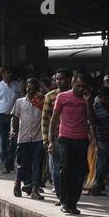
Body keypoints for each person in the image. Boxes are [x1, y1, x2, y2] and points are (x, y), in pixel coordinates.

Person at [50, 73, 96, 215]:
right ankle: (64, 201)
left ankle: (73, 203)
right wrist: (51, 141)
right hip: (65, 138)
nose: (80, 89)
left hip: (81, 139)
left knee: (80, 172)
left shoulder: (86, 99)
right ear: (72, 84)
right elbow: (54, 119)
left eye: (83, 87)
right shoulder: (62, 97)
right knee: (66, 170)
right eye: (78, 86)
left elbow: (92, 121)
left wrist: (88, 102)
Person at [11, 80, 45, 201]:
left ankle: (35, 189)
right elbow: (15, 117)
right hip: (23, 137)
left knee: (37, 164)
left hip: (38, 137)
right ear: (26, 88)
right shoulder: (20, 102)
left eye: (34, 89)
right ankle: (17, 182)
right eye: (29, 89)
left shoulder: (41, 102)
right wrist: (13, 131)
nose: (31, 92)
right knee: (22, 164)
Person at [41, 70, 73, 203]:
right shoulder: (50, 96)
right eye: (57, 79)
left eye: (61, 79)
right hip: (55, 137)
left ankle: (67, 194)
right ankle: (61, 195)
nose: (58, 82)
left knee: (70, 167)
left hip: (72, 137)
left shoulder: (75, 95)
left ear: (69, 79)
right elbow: (45, 119)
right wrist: (46, 139)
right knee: (56, 166)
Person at [91, 87, 109, 199]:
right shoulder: (95, 107)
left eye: (107, 98)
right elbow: (92, 126)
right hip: (102, 140)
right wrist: (95, 143)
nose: (106, 100)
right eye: (103, 98)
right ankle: (97, 185)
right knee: (101, 166)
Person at [0, 67, 18, 174]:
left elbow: (20, 100)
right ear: (2, 74)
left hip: (13, 116)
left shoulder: (17, 85)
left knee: (13, 140)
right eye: (6, 73)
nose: (8, 75)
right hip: (0, 115)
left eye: (10, 73)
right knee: (2, 140)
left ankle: (10, 160)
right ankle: (6, 163)